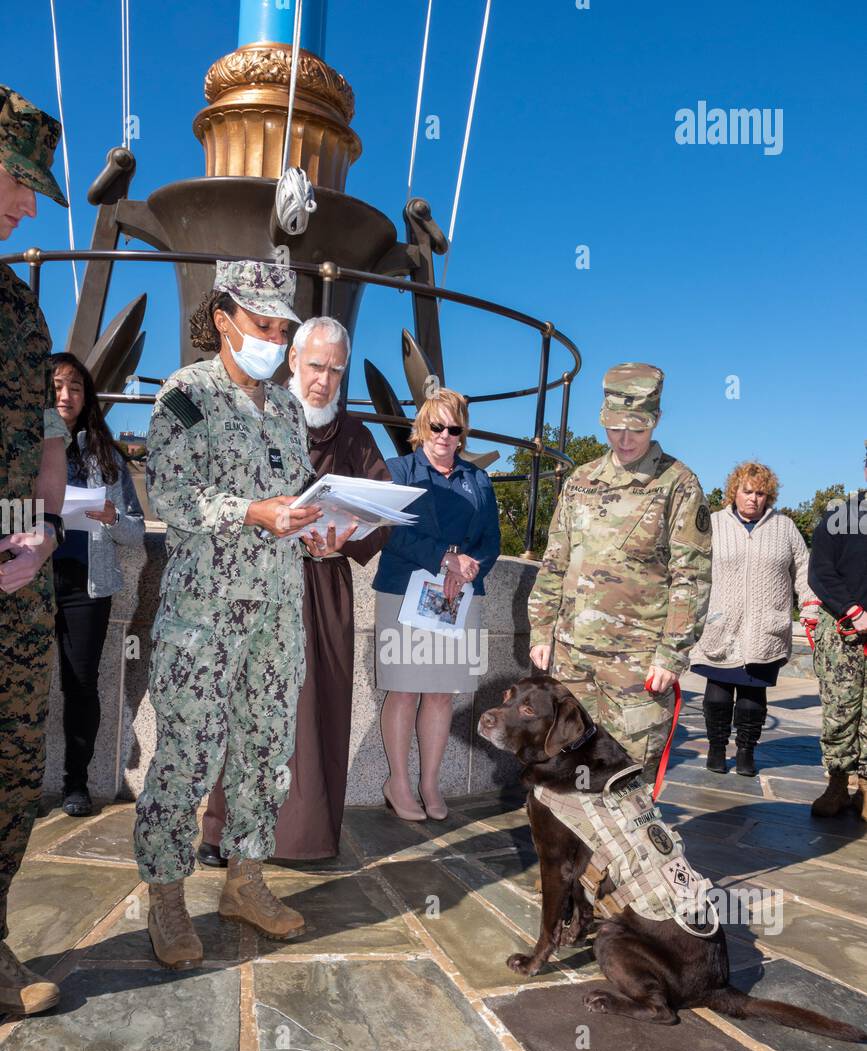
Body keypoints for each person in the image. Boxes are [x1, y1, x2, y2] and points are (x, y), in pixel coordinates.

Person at [132, 260, 356, 969]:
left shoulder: (288, 409)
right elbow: (170, 495)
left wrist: (319, 534)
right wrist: (249, 513)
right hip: (203, 613)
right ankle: (166, 894)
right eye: (261, 324)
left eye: (280, 327)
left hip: (276, 615)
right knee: (188, 755)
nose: (271, 337)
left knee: (264, 753)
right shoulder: (186, 395)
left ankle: (245, 881)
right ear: (224, 318)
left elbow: (294, 500)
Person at [199, 315, 390, 865]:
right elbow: (220, 497)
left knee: (314, 711)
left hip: (324, 592)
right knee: (246, 706)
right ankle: (221, 831)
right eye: (314, 366)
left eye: (334, 370)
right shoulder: (251, 414)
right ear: (292, 362)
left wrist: (344, 539)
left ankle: (303, 837)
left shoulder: (355, 436)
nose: (322, 381)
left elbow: (381, 512)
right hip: (256, 584)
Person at [528, 363, 712, 783]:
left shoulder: (678, 484)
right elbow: (554, 562)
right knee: (564, 776)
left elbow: (692, 577)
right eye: (614, 428)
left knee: (626, 781)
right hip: (571, 659)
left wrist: (672, 653)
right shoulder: (581, 481)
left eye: (636, 429)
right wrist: (541, 631)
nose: (625, 439)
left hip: (636, 665)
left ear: (656, 421)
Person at [0, 87, 70, 1016]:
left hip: (17, 567)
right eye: (17, 181)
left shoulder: (21, 310)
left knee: (15, 766)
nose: (25, 205)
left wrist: (44, 530)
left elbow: (50, 441)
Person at [372, 388, 501, 820]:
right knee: (405, 690)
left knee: (441, 694)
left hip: (457, 598)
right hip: (403, 591)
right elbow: (390, 530)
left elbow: (490, 542)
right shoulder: (398, 472)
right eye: (437, 425)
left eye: (454, 428)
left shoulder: (478, 480)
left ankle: (430, 781)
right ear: (422, 426)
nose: (445, 435)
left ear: (463, 433)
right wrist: (442, 558)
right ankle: (399, 782)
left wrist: (465, 569)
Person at [49, 352, 145, 814]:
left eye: (75, 387)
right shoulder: (23, 444)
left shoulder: (106, 456)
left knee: (81, 685)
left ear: (87, 397)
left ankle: (76, 783)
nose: (65, 395)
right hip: (30, 580)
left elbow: (136, 528)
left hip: (88, 585)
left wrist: (111, 518)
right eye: (56, 386)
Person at [690, 462, 814, 776]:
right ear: (735, 491)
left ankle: (746, 751)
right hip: (720, 626)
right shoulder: (714, 524)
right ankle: (716, 748)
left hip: (765, 630)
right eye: (747, 491)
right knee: (717, 696)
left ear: (768, 496)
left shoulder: (784, 527)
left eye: (760, 493)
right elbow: (692, 569)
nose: (753, 499)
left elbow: (804, 571)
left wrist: (810, 608)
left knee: (751, 699)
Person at [807, 453, 867, 818]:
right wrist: (853, 610)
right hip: (843, 630)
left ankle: (866, 789)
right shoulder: (839, 518)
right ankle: (837, 785)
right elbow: (820, 571)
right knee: (840, 709)